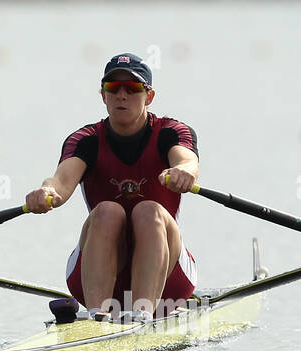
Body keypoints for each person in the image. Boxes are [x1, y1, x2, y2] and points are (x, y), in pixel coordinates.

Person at [24, 52, 200, 323]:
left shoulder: (171, 132)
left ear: (149, 96)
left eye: (132, 88)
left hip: (169, 283)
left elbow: (187, 160)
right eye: (112, 88)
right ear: (103, 95)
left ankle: (142, 313)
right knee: (107, 211)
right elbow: (60, 181)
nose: (121, 95)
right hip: (95, 276)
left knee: (149, 211)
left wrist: (184, 172)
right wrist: (46, 192)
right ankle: (97, 317)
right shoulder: (86, 139)